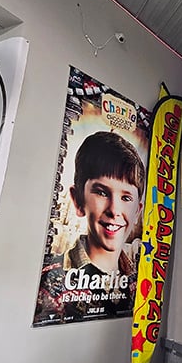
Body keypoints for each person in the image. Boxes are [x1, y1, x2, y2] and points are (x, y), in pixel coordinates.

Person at [35, 131, 145, 323]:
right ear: (78, 200)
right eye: (102, 193)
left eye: (126, 198)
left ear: (137, 211)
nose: (114, 210)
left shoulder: (140, 278)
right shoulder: (51, 284)